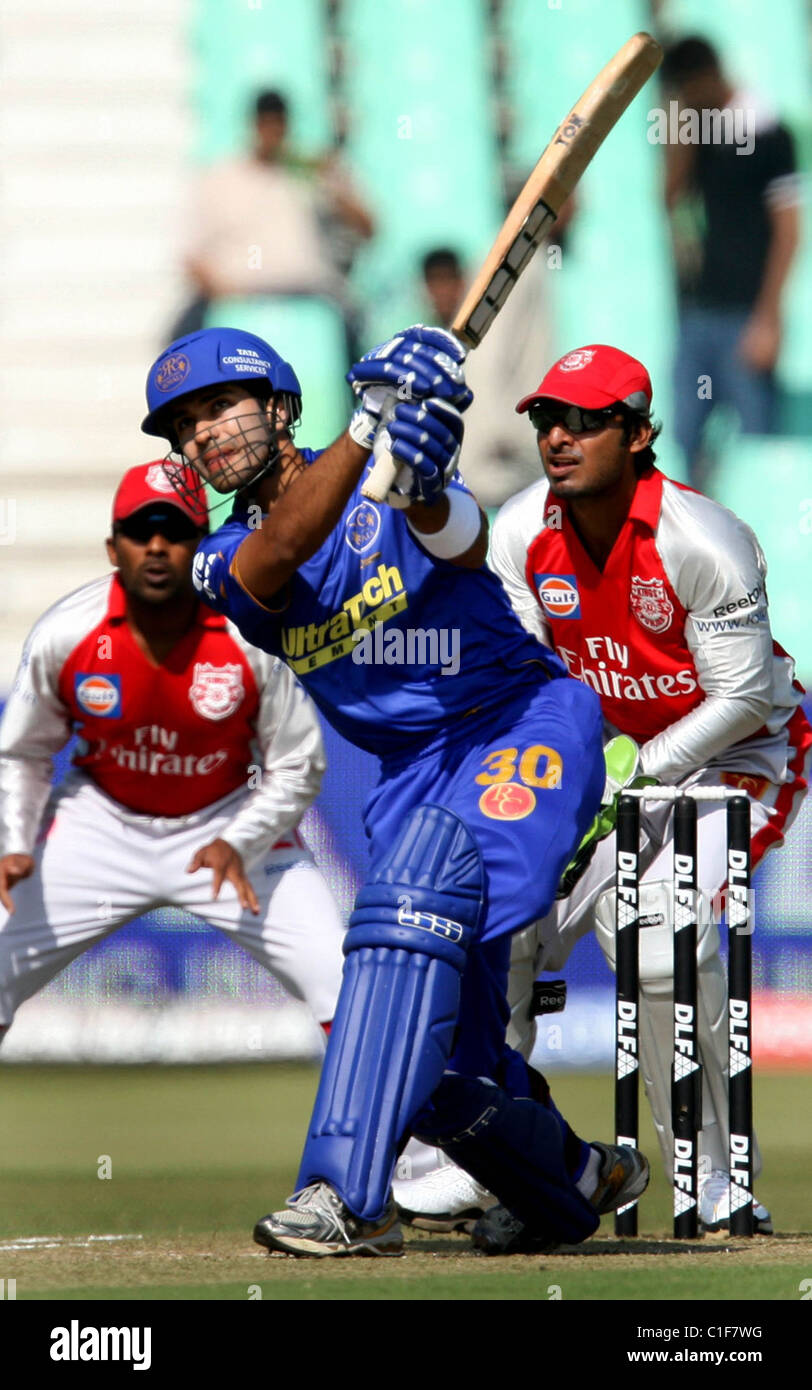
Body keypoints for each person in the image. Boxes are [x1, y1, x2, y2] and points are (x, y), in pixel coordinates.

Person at [139, 322, 651, 1258]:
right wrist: (371, 427)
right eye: (185, 428)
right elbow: (279, 554)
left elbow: (462, 541)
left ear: (281, 405)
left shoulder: (387, 489)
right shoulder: (223, 557)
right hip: (409, 777)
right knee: (439, 1051)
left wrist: (417, 485)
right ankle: (574, 1179)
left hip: (519, 722)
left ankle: (347, 1199)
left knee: (407, 907)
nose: (204, 435)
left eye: (220, 406)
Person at [466, 341, 810, 1250]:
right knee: (509, 946)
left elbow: (743, 698)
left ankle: (717, 1191)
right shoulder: (519, 530)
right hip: (613, 754)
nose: (560, 437)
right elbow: (529, 679)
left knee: (661, 947)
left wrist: (644, 767)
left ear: (641, 432)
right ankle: (528, 1178)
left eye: (586, 420)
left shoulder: (704, 541)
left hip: (741, 752)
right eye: (547, 418)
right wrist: (586, 767)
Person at [0, 462, 344, 1051]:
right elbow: (25, 752)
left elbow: (297, 762)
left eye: (176, 531)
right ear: (114, 548)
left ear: (200, 544)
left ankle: (417, 1148)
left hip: (227, 819)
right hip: (98, 822)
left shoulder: (246, 633)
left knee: (346, 983)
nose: (157, 547)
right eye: (141, 531)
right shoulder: (67, 632)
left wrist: (243, 838)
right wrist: (13, 840)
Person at [660, 37, 801, 486]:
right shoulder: (701, 131)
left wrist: (769, 320)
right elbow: (670, 195)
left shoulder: (767, 130)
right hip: (700, 310)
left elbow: (788, 229)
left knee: (757, 439)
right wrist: (681, 128)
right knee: (686, 436)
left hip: (746, 313)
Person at [171, 89, 375, 360]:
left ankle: (355, 400)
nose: (273, 132)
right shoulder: (221, 178)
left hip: (308, 288)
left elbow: (368, 229)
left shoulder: (312, 172)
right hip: (237, 291)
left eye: (278, 124)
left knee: (354, 331)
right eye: (266, 123)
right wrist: (222, 292)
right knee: (181, 338)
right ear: (253, 126)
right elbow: (191, 255)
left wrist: (332, 184)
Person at [419, 246, 552, 510]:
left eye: (448, 281)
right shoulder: (417, 348)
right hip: (459, 492)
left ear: (463, 282)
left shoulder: (488, 338)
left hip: (508, 473)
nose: (442, 292)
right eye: (435, 283)